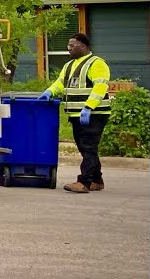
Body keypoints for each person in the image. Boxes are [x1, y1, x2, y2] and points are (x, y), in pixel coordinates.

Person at [39, 33, 111, 193]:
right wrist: (49, 92)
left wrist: (89, 107)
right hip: (76, 115)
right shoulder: (69, 65)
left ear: (83, 46)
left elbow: (100, 87)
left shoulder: (97, 64)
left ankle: (84, 182)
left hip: (94, 114)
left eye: (72, 45)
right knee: (86, 148)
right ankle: (97, 180)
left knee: (88, 147)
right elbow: (60, 83)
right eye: (68, 46)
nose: (69, 49)